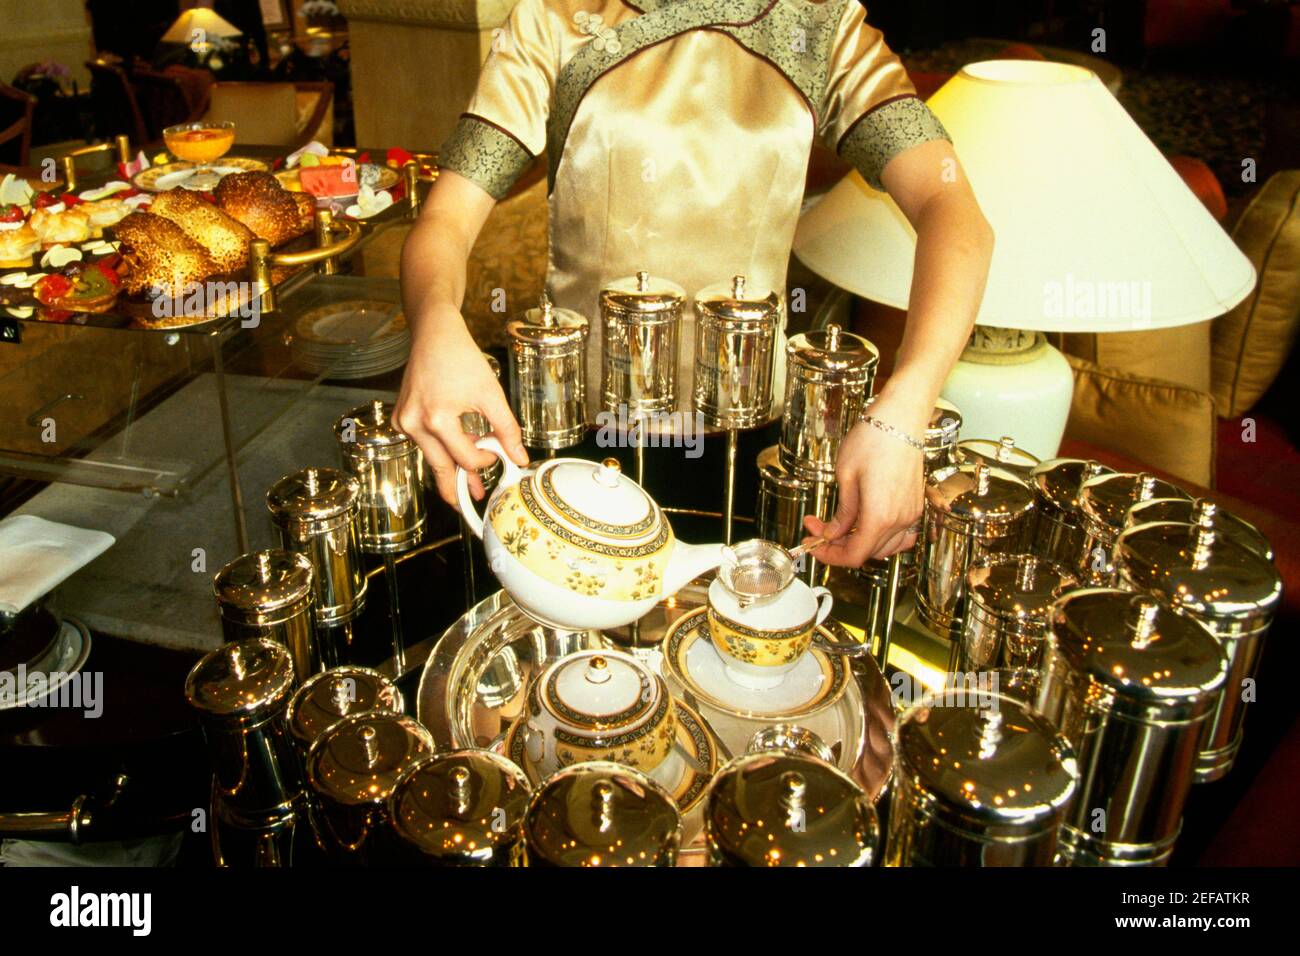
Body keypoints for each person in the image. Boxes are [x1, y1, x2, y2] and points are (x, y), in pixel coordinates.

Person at [395, 0, 993, 568]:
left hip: (752, 445)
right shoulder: (557, 17)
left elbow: (953, 210)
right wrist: (436, 325)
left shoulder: (821, 27)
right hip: (577, 428)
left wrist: (906, 411)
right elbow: (445, 220)